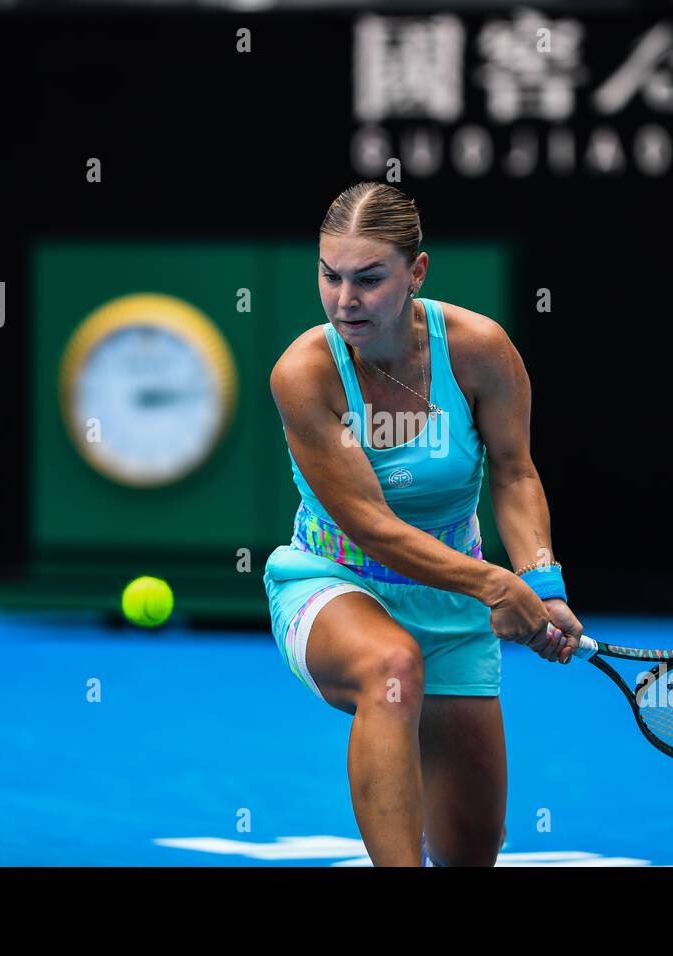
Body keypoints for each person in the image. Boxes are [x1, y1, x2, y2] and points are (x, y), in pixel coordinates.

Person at [262, 182, 583, 866]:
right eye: (331, 276)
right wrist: (498, 588)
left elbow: (514, 472)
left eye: (369, 280)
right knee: (391, 667)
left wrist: (542, 582)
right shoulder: (302, 373)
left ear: (417, 272)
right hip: (334, 580)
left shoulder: (479, 350)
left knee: (470, 853)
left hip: (454, 601)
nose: (345, 300)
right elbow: (373, 526)